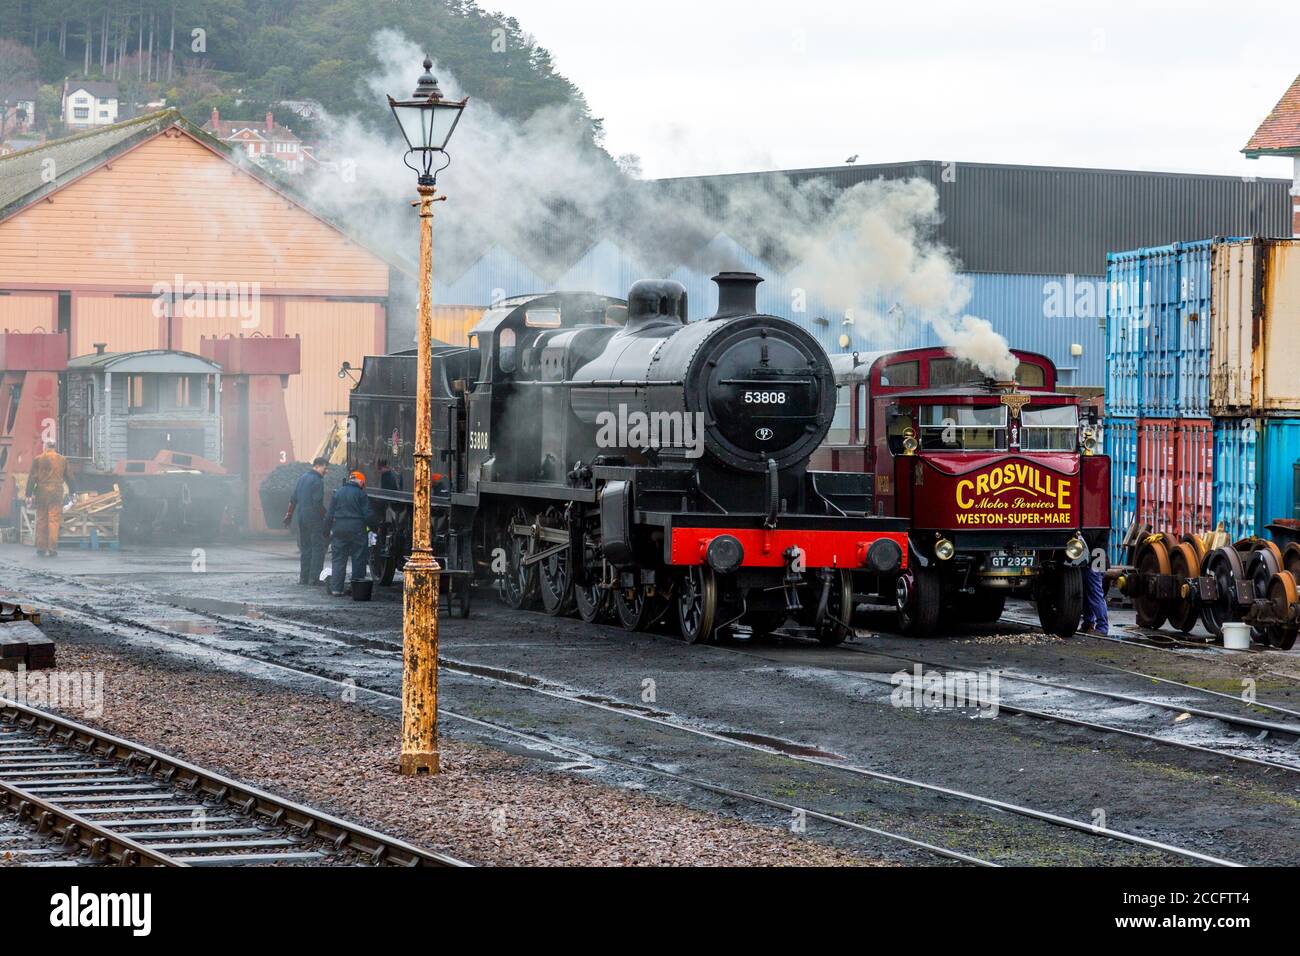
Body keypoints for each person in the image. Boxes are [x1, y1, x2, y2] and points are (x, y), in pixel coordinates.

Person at [25, 441, 74, 558]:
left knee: (41, 520)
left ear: (45, 447)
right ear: (54, 447)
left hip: (41, 493)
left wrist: (28, 494)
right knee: (53, 521)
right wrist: (73, 492)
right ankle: (52, 549)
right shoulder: (62, 459)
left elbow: (32, 478)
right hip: (56, 494)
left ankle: (41, 548)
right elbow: (69, 477)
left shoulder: (38, 459)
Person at [285, 458, 328, 586]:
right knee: (318, 547)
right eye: (325, 468)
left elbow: (293, 499)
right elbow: (318, 503)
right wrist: (327, 517)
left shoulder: (302, 478)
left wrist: (289, 515)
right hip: (313, 517)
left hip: (301, 517)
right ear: (318, 466)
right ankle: (315, 578)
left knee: (306, 547)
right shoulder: (317, 481)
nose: (327, 471)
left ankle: (303, 578)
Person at [327, 470, 370, 596]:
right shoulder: (361, 494)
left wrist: (326, 530)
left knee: (339, 559)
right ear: (361, 482)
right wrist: (374, 527)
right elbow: (368, 514)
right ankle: (356, 590)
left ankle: (336, 589)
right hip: (357, 529)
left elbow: (329, 514)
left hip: (339, 528)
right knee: (358, 558)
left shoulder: (338, 493)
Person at [1081, 566, 1109, 636]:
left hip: (1095, 563)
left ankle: (1102, 628)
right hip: (1090, 563)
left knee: (1096, 596)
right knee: (1086, 595)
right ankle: (1088, 624)